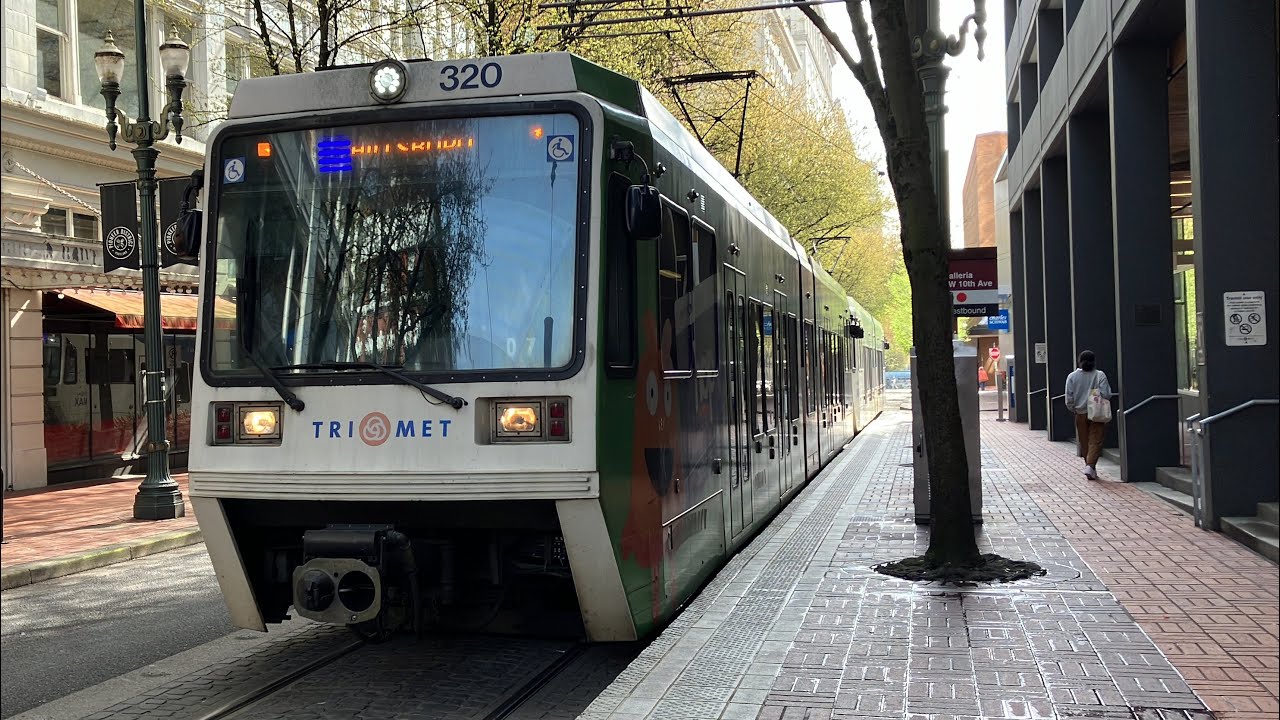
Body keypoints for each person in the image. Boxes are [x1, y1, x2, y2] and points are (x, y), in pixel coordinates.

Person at [1064, 350, 1113, 480]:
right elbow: (1106, 394)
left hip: (1080, 412)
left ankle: (1090, 468)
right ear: (1094, 361)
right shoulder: (1099, 375)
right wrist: (1095, 394)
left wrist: (1073, 408)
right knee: (1095, 440)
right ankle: (1090, 466)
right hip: (1097, 412)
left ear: (1079, 361)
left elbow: (1069, 397)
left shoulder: (1072, 376)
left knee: (1084, 442)